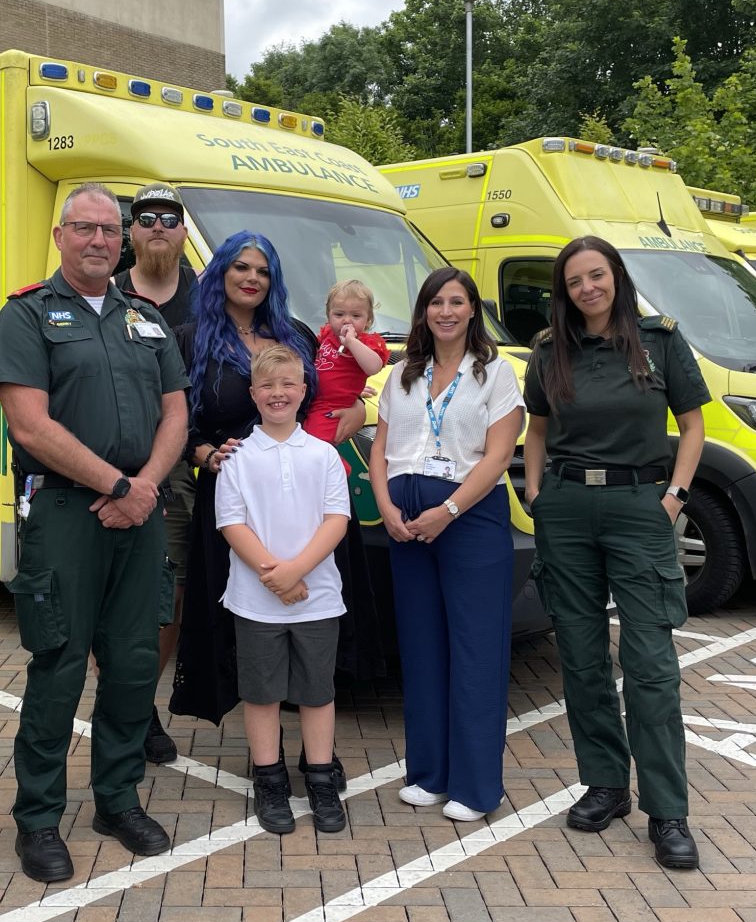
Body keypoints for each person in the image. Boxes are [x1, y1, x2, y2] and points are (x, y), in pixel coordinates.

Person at [0, 182, 189, 883]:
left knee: (135, 663)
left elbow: (175, 414)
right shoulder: (27, 316)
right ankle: (39, 817)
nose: (100, 239)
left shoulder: (145, 319)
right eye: (86, 228)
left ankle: (116, 797)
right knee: (59, 665)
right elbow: (30, 425)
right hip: (67, 513)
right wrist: (118, 487)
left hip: (138, 513)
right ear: (61, 236)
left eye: (112, 229)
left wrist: (143, 490)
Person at [521, 236, 708, 869]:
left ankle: (668, 811)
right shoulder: (550, 352)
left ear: (615, 278)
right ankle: (605, 784)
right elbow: (537, 429)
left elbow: (693, 423)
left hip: (639, 509)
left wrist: (675, 497)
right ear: (564, 292)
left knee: (650, 661)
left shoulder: (658, 341)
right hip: (568, 512)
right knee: (580, 655)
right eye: (574, 281)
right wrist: (538, 492)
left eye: (596, 276)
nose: (587, 289)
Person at [169, 233, 378, 734]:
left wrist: (355, 409)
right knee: (237, 625)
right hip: (234, 501)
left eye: (262, 271)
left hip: (307, 502)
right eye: (241, 267)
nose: (251, 278)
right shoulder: (190, 338)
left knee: (311, 622)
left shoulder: (299, 335)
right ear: (221, 272)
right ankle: (263, 755)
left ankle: (313, 750)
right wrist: (203, 453)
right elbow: (175, 423)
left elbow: (336, 391)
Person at [368, 267, 522, 822]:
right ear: (423, 311)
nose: (446, 311)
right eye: (436, 302)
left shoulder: (495, 374)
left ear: (472, 309)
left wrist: (449, 510)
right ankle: (429, 774)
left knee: (475, 651)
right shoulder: (403, 373)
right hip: (405, 520)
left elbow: (498, 455)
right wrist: (385, 506)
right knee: (423, 647)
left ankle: (477, 788)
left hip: (468, 519)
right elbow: (381, 448)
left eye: (457, 301)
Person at [217, 345, 351, 835]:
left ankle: (318, 776)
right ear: (253, 394)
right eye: (267, 386)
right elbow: (232, 522)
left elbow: (337, 519)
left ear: (303, 390)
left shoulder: (324, 455)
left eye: (288, 384)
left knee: (317, 692)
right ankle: (268, 778)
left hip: (316, 597)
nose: (278, 393)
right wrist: (275, 575)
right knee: (262, 692)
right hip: (255, 600)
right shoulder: (237, 457)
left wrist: (296, 571)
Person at [116, 181, 199, 765]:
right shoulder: (107, 291)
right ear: (133, 230)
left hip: (182, 472)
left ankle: (139, 702)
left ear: (184, 230)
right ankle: (124, 703)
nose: (159, 227)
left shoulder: (207, 296)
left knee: (170, 594)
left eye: (170, 218)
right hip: (109, 469)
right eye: (147, 217)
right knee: (110, 595)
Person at [303, 279, 388, 444]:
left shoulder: (363, 344)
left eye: (356, 316)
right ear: (328, 315)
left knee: (315, 444)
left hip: (332, 406)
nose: (347, 320)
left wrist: (351, 342)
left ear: (368, 320)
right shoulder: (328, 336)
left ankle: (340, 468)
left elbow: (374, 367)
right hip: (315, 400)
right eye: (339, 314)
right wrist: (353, 388)